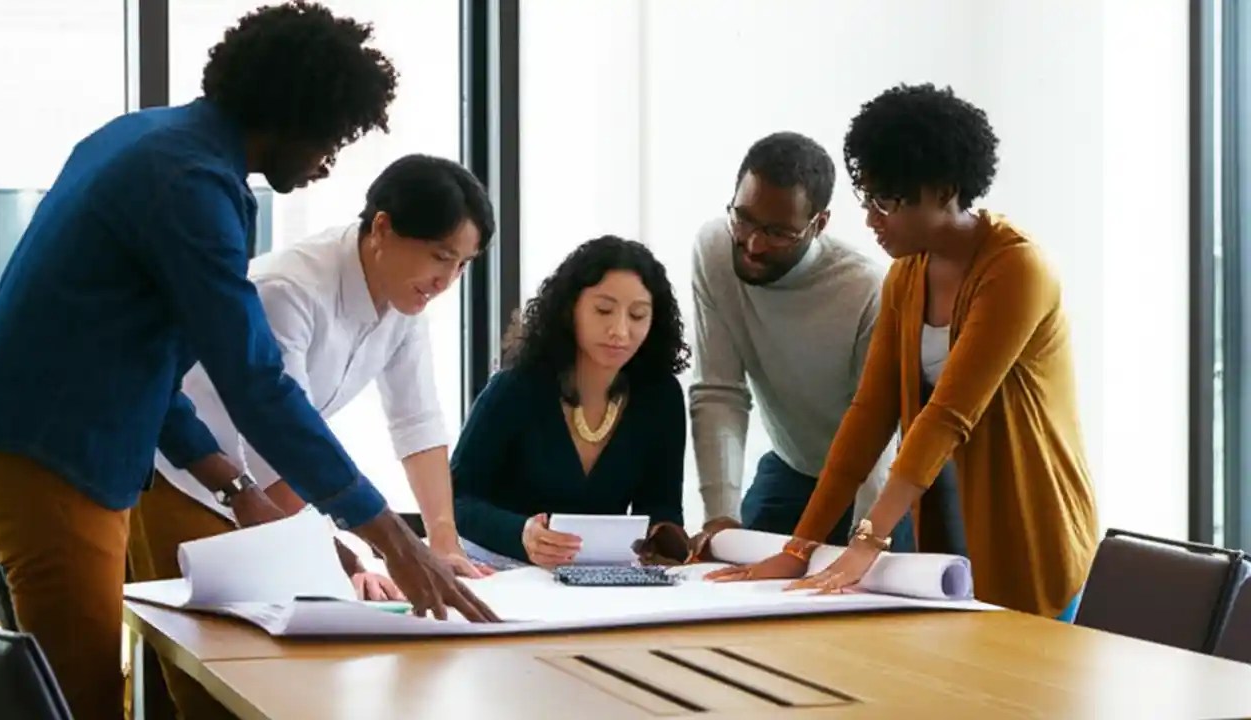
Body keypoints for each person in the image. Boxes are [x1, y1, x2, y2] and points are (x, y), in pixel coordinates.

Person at [0, 5, 495, 719]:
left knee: (91, 683)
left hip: (50, 440)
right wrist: (388, 535)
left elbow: (142, 362)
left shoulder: (150, 141)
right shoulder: (190, 184)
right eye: (330, 139)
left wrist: (232, 483)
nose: (327, 162)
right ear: (293, 113)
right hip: (53, 451)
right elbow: (254, 383)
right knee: (85, 697)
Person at [707, 84, 1098, 621]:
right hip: (948, 526)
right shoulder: (905, 276)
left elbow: (946, 416)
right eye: (868, 198)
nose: (871, 219)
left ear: (943, 191)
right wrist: (799, 548)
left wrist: (868, 537)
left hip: (1030, 522)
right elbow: (869, 415)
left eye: (887, 202)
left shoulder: (1016, 270)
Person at [129, 154, 494, 717]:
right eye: (440, 256)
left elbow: (416, 420)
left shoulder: (404, 299)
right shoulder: (289, 289)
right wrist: (348, 552)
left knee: (287, 680)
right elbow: (282, 437)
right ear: (382, 229)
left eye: (464, 264)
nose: (446, 281)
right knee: (209, 686)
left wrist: (442, 542)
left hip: (277, 485)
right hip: (189, 478)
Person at [690, 132, 913, 550]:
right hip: (793, 465)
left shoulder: (867, 290)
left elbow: (880, 432)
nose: (753, 245)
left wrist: (858, 548)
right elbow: (719, 391)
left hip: (870, 476)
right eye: (744, 219)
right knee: (729, 569)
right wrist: (720, 517)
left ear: (819, 224)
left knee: (863, 599)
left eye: (777, 233)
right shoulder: (715, 249)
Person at [452, 236, 690, 568]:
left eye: (638, 316)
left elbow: (662, 507)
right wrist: (521, 533)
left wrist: (665, 542)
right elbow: (457, 499)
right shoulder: (514, 388)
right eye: (603, 310)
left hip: (602, 576)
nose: (620, 331)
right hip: (502, 569)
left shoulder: (661, 396)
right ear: (569, 309)